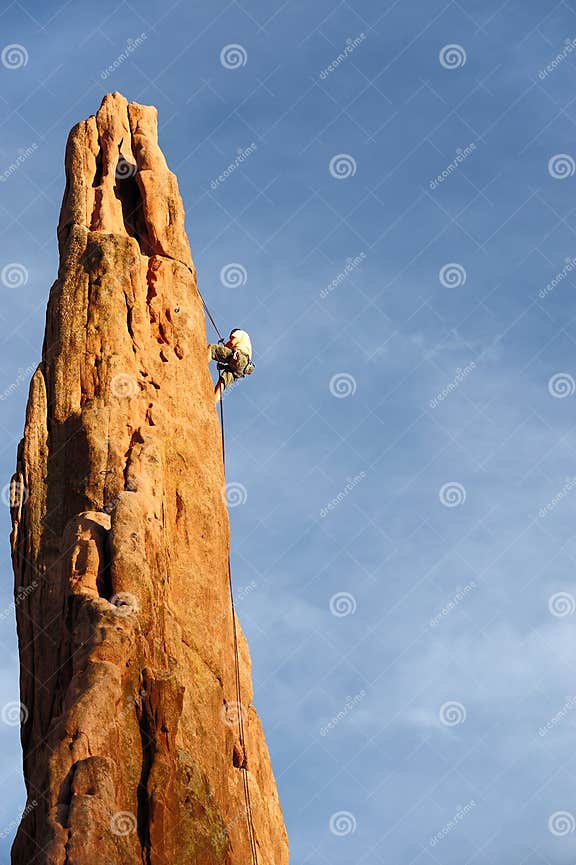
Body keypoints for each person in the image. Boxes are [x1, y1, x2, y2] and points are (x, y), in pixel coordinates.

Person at [208, 329, 254, 403]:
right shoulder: (246, 345)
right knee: (222, 381)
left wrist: (225, 346)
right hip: (242, 369)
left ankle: (201, 364)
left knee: (212, 348)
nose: (231, 338)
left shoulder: (240, 333)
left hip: (240, 356)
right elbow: (234, 364)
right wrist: (223, 366)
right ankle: (213, 403)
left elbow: (232, 343)